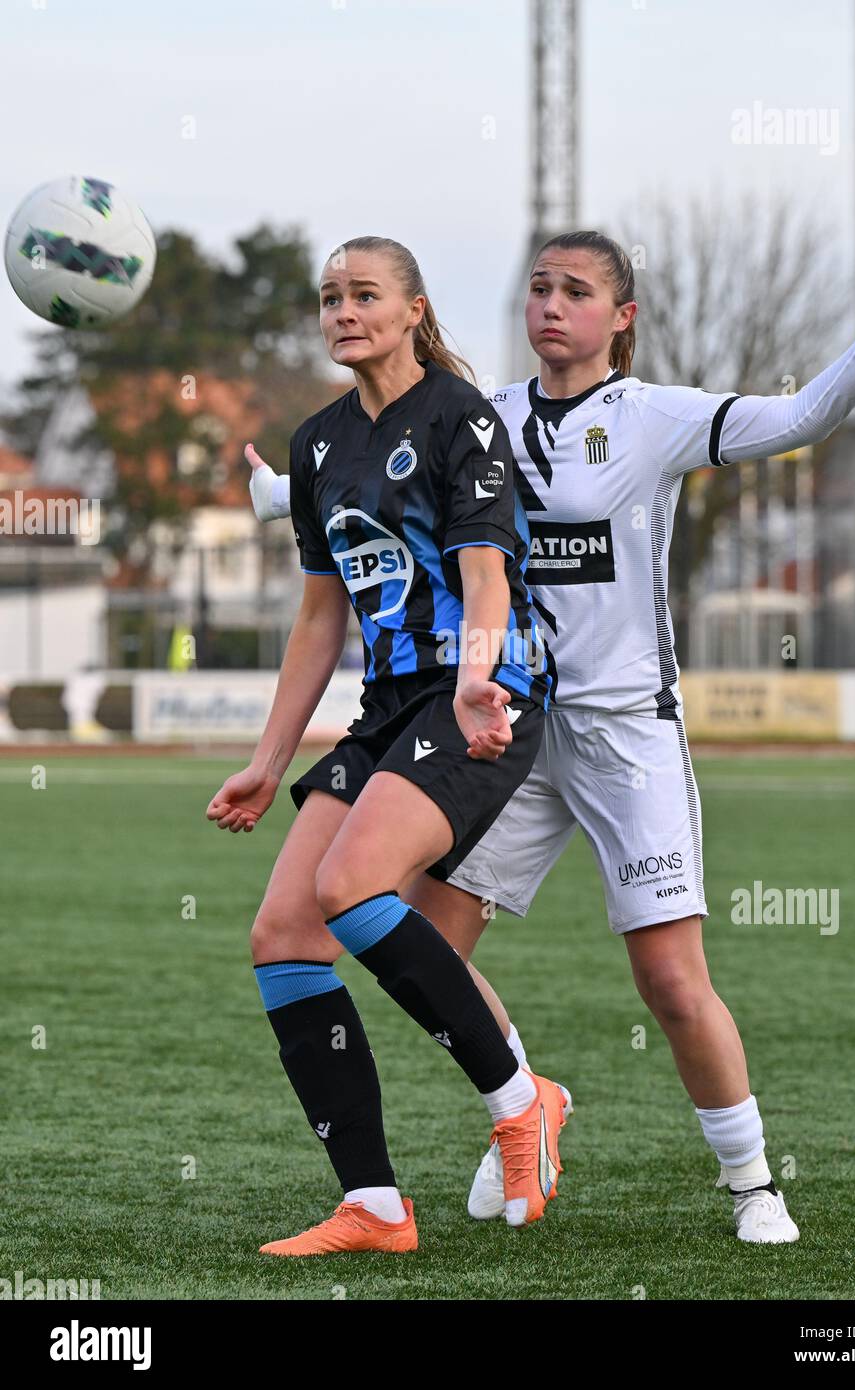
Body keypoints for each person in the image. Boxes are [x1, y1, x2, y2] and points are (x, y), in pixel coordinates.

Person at [249, 228, 855, 1244]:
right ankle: (526, 1097)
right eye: (537, 286)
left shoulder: (653, 416)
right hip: (503, 726)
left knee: (668, 979)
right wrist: (274, 492)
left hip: (625, 730)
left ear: (619, 317)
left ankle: (752, 1181)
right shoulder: (479, 414)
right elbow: (368, 481)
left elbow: (801, 416)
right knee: (423, 944)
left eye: (575, 291)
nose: (548, 305)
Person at [208, 235, 569, 1257]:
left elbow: (488, 576)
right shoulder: (317, 443)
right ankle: (372, 1203)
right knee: (283, 932)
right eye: (329, 298)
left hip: (480, 694)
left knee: (352, 884)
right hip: (387, 708)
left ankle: (519, 1096)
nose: (342, 312)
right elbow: (321, 618)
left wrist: (476, 677)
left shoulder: (463, 420)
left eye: (364, 294)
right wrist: (268, 760)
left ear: (414, 310)